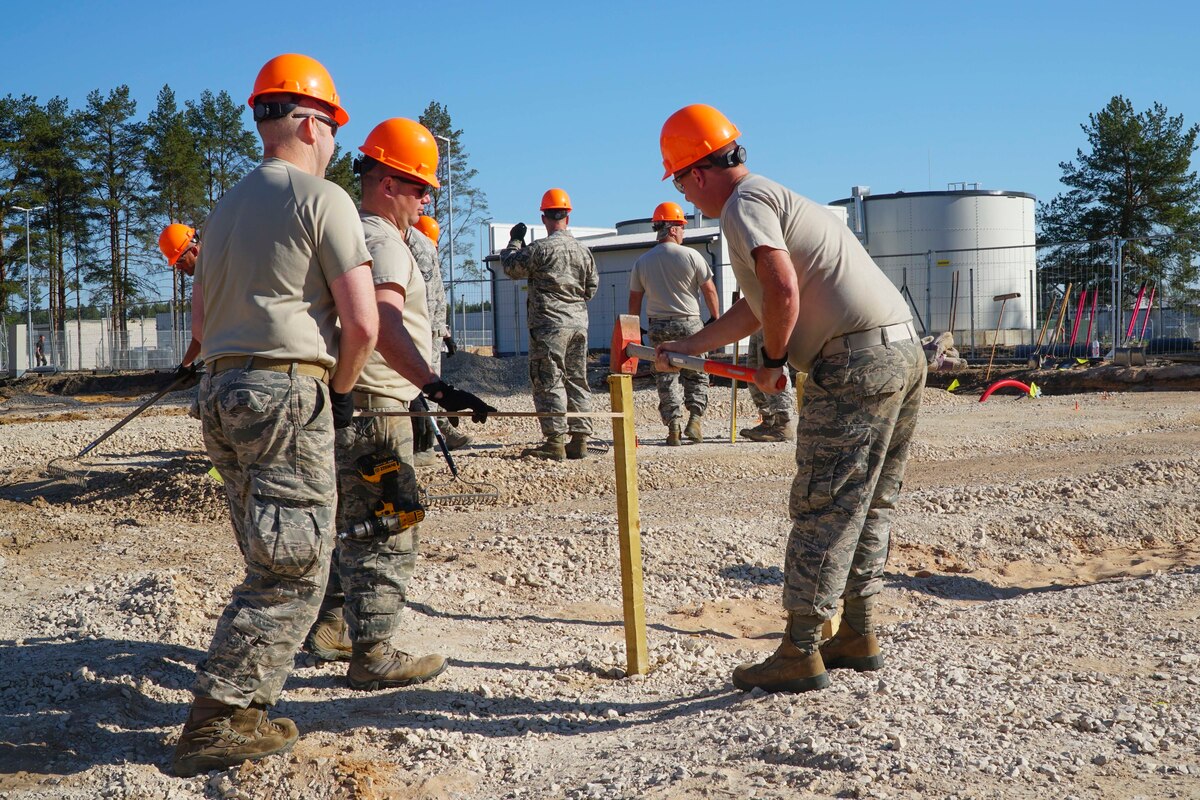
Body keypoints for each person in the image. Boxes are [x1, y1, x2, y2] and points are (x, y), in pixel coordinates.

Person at [656, 104, 925, 694]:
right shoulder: (778, 197)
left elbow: (779, 285)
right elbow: (759, 305)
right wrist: (689, 345)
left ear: (695, 173)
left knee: (825, 502)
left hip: (854, 362)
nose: (685, 195)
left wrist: (773, 363)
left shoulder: (743, 204)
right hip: (900, 349)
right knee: (868, 500)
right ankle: (857, 630)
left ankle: (800, 649)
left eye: (679, 180)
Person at [172, 53, 379, 777]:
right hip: (284, 390)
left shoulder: (224, 208)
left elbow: (199, 317)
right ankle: (218, 719)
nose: (333, 148)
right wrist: (345, 395)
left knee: (269, 557)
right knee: (292, 569)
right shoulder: (324, 201)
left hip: (220, 391)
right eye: (331, 132)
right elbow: (362, 324)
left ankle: (241, 704)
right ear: (309, 121)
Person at [305, 118, 494, 686]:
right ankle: (374, 654)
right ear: (387, 183)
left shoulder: (349, 231)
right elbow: (381, 320)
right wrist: (433, 386)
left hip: (358, 401)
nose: (426, 198)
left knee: (353, 519)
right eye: (418, 187)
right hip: (377, 406)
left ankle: (337, 625)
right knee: (392, 522)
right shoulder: (383, 241)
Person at [500, 188, 598, 460]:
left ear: (544, 217)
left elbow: (510, 267)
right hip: (578, 324)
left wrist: (514, 241)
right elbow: (591, 289)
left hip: (548, 326)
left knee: (548, 378)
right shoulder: (584, 251)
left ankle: (555, 442)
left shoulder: (540, 249)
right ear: (568, 216)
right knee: (577, 378)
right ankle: (579, 439)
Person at [628, 201, 720, 445]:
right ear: (671, 229)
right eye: (681, 227)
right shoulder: (692, 256)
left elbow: (634, 300)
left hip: (658, 325)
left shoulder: (642, 262)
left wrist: (634, 328)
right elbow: (709, 289)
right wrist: (715, 318)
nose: (683, 232)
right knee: (698, 373)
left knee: (665, 376)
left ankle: (674, 429)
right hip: (690, 323)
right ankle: (695, 421)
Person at [406, 214, 471, 466]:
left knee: (430, 388)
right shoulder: (417, 257)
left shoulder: (422, 256)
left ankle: (432, 440)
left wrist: (446, 333)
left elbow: (436, 301)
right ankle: (427, 444)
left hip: (430, 334)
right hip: (421, 334)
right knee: (425, 388)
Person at [158, 223, 202, 371]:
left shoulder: (212, 277)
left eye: (180, 261)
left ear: (194, 251)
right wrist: (186, 363)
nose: (178, 268)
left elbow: (204, 327)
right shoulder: (210, 271)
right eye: (175, 263)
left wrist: (186, 364)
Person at [740, 329, 797, 441]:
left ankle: (783, 423)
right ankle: (768, 420)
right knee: (754, 370)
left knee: (773, 367)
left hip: (772, 319)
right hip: (757, 320)